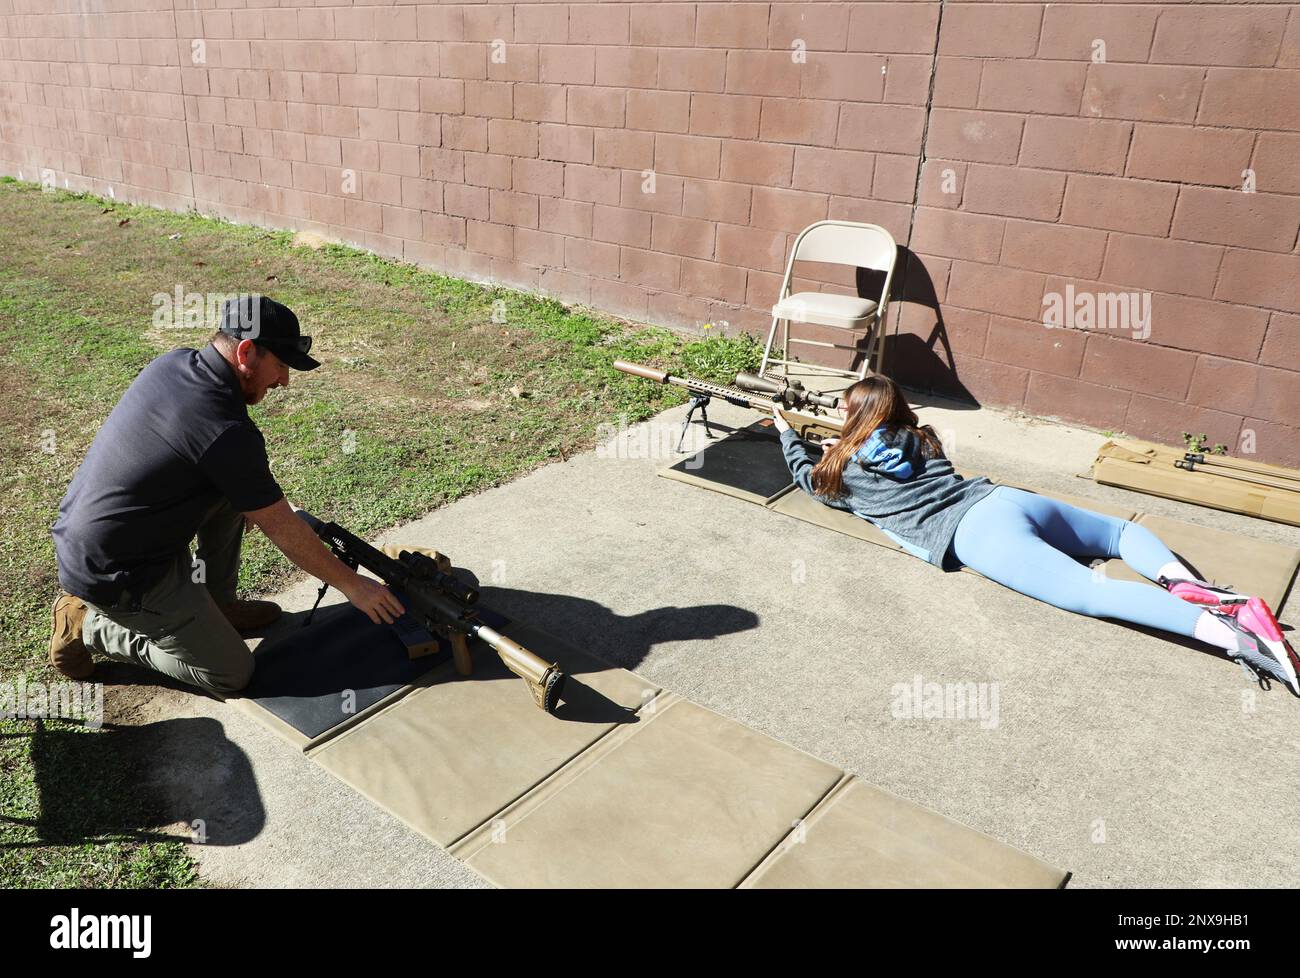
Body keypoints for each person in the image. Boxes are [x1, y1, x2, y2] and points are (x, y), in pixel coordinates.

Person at [771, 373, 1299, 696]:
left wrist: (787, 434)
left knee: (1089, 594)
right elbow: (893, 453)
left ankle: (1239, 637)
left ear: (853, 416)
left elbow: (809, 477)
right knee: (1118, 534)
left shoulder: (838, 473)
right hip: (1003, 498)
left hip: (971, 533)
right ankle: (1189, 586)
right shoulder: (922, 436)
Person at [48, 295, 404, 694]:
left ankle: (218, 605)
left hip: (102, 534)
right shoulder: (224, 430)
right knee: (232, 673)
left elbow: (247, 490)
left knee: (238, 495)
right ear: (247, 351)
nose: (284, 381)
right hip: (121, 573)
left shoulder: (176, 363)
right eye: (282, 365)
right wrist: (353, 586)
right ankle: (91, 624)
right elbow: (282, 527)